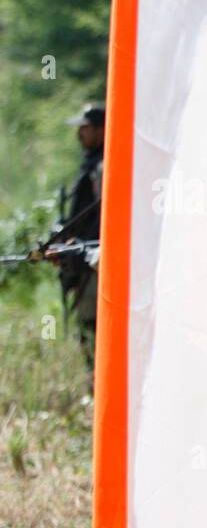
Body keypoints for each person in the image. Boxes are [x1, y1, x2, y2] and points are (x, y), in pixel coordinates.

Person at [49, 103, 105, 367]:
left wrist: (80, 245)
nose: (79, 134)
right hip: (83, 260)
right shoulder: (92, 164)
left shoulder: (105, 166)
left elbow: (106, 215)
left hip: (95, 263)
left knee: (95, 329)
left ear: (101, 129)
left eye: (84, 128)